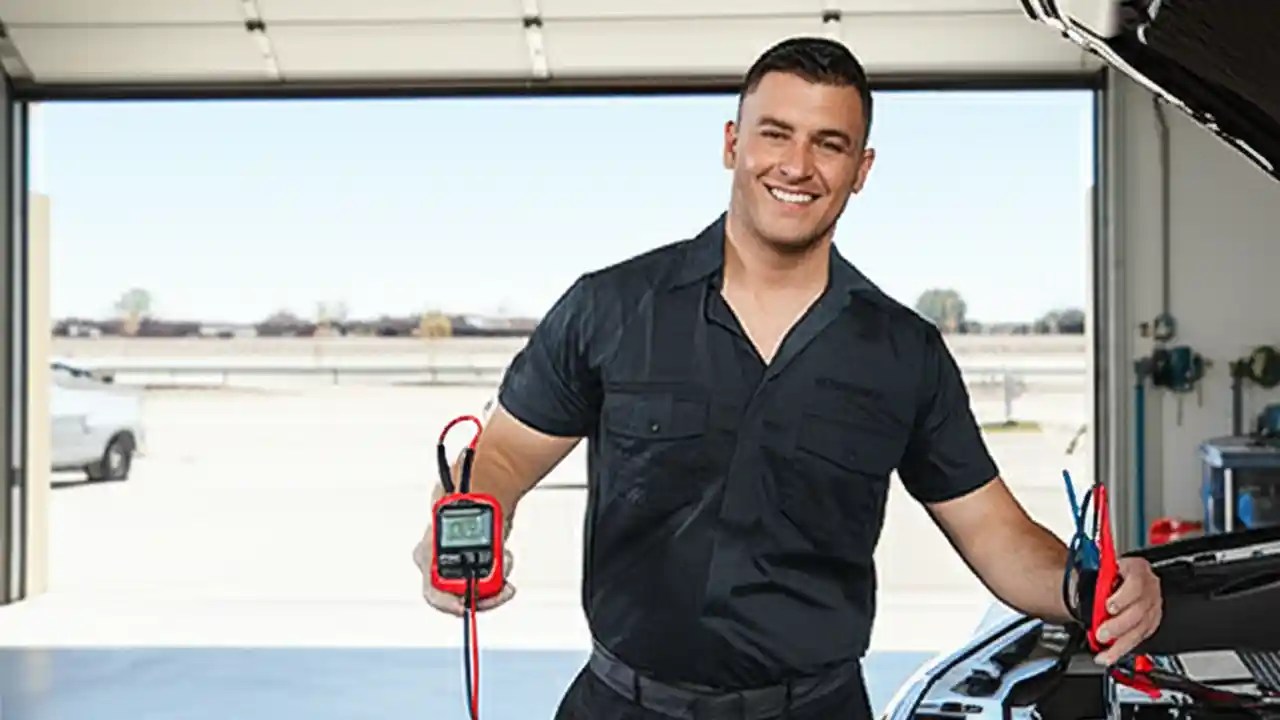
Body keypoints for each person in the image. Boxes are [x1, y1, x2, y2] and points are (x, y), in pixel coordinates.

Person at [413, 36, 1164, 720]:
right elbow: (506, 451)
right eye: (775, 134)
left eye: (828, 144)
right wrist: (474, 508)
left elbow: (997, 536)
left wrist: (1093, 588)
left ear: (860, 170)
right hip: (621, 705)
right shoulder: (610, 308)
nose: (797, 166)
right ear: (733, 143)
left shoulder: (905, 352)